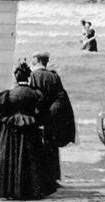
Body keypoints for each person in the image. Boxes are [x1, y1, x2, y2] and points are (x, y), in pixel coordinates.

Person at [0, 61, 49, 200]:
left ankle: (10, 190)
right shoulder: (35, 93)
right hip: (30, 128)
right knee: (30, 159)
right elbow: (42, 113)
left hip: (11, 129)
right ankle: (30, 190)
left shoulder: (8, 94)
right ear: (28, 77)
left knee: (11, 157)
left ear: (16, 77)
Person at [29, 52, 75, 191]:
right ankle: (52, 179)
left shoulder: (32, 76)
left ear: (36, 61)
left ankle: (38, 179)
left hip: (37, 116)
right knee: (51, 148)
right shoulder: (54, 76)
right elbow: (61, 99)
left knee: (37, 147)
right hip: (52, 118)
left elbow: (31, 96)